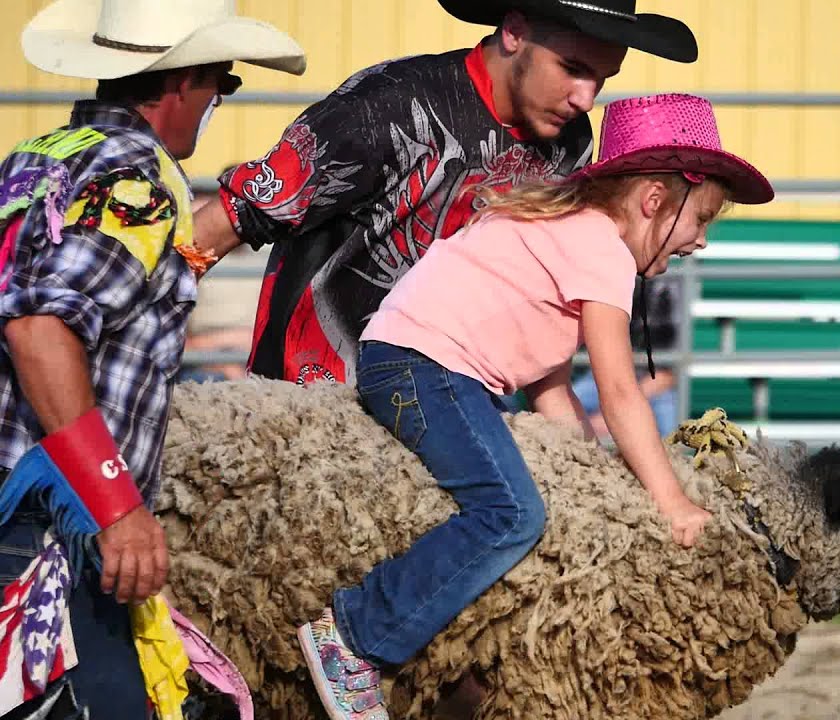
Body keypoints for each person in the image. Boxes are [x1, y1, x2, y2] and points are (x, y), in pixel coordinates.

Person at [293, 92, 774, 720]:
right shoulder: (601, 248)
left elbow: (551, 388)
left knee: (527, 499)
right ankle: (354, 636)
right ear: (654, 201)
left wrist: (599, 477)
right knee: (511, 513)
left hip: (417, 363)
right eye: (701, 218)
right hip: (427, 368)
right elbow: (619, 391)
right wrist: (671, 502)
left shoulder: (561, 234)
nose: (700, 241)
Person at [0, 1, 304, 717]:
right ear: (184, 82)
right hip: (46, 529)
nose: (216, 103)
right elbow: (42, 328)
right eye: (221, 84)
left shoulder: (40, 159)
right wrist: (117, 505)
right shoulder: (135, 180)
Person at [190, 0, 699, 387]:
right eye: (572, 68)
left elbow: (536, 292)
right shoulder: (386, 106)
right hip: (320, 401)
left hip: (455, 408)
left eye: (602, 79)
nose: (585, 98)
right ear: (515, 32)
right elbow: (235, 216)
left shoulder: (570, 146)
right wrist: (127, 323)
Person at [573, 274, 683, 438]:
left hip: (652, 384)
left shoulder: (675, 292)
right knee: (565, 409)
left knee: (670, 429)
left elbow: (667, 375)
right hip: (604, 375)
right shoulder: (611, 278)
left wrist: (611, 415)